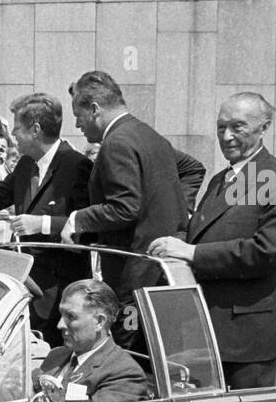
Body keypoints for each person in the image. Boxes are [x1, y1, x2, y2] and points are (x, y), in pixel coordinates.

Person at [148, 92, 276, 389]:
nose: (227, 136)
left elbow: (266, 252)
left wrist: (190, 252)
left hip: (246, 341)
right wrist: (171, 243)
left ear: (263, 127)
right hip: (204, 331)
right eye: (221, 127)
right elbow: (200, 234)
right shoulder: (220, 179)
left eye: (238, 127)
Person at [0, 92, 93, 342]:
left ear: (35, 130)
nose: (12, 135)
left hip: (62, 293)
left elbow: (90, 224)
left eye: (17, 129)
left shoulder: (77, 165)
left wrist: (43, 224)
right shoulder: (25, 164)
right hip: (28, 286)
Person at [57, 71, 202, 307]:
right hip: (160, 271)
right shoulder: (148, 134)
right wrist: (175, 213)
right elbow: (192, 169)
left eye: (78, 115)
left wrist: (77, 219)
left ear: (94, 109)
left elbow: (125, 207)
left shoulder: (116, 143)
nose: (76, 124)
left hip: (134, 276)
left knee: (130, 340)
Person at [37, 279, 148, 402]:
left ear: (99, 322)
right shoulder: (56, 355)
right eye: (61, 315)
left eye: (71, 317)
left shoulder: (124, 375)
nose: (60, 325)